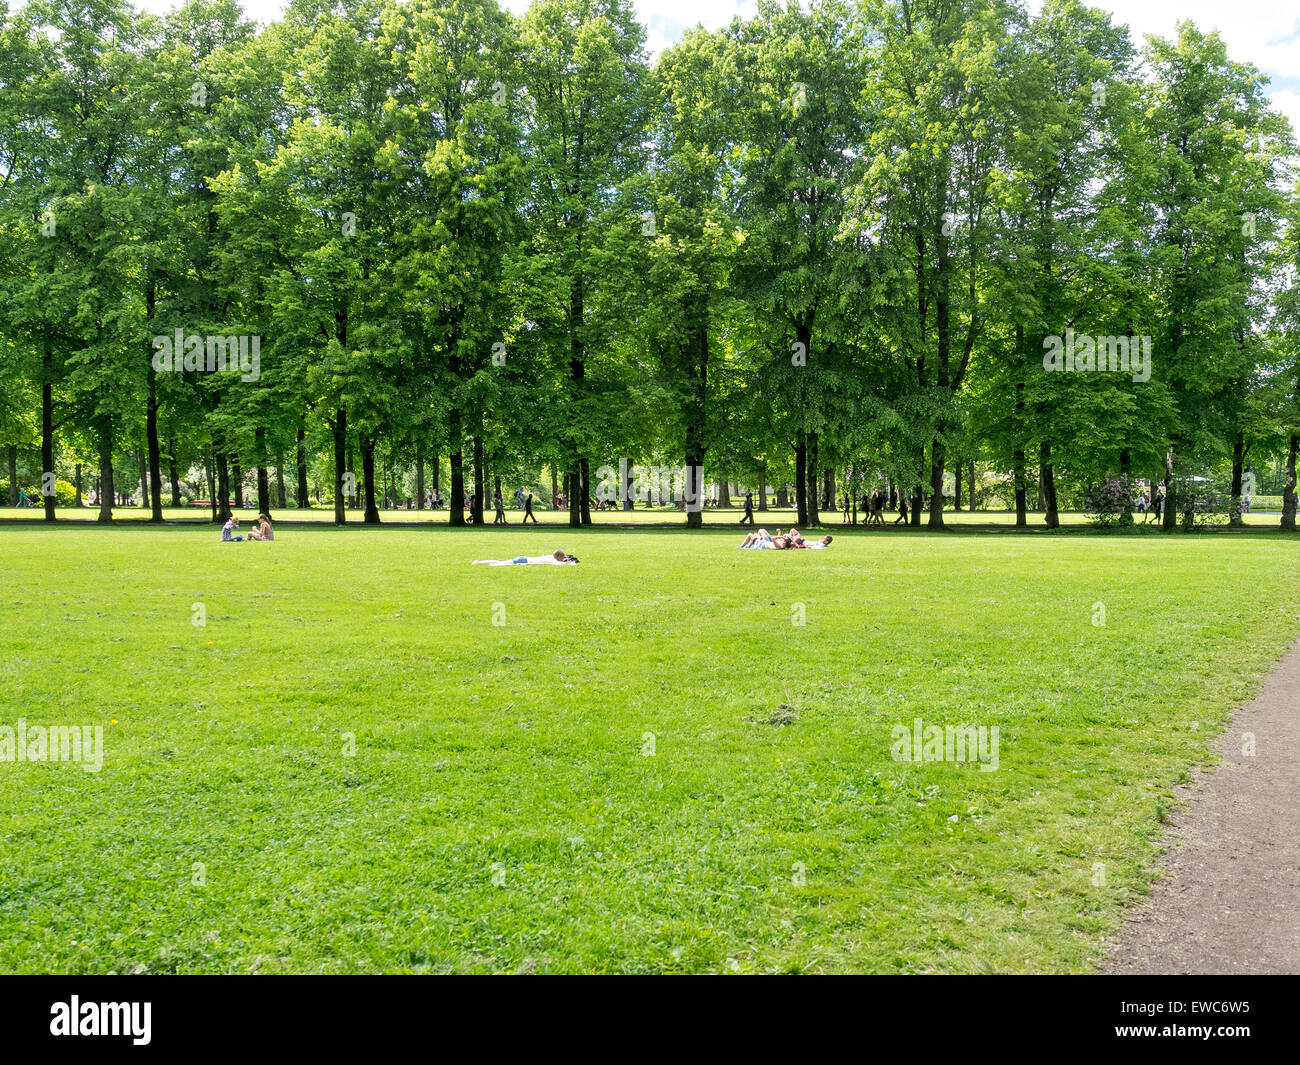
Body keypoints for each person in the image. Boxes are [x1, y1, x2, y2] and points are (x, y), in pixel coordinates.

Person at [473, 549, 578, 566]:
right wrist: (568, 562)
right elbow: (559, 564)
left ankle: (479, 562)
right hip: (523, 560)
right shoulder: (552, 560)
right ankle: (478, 562)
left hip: (524, 558)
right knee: (499, 563)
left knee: (500, 562)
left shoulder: (550, 556)